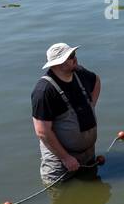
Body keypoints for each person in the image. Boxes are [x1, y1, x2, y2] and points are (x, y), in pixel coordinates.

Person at [31, 42, 101, 185]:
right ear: (57, 64)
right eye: (69, 57)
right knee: (62, 200)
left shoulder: (79, 73)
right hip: (61, 164)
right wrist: (65, 158)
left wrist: (91, 106)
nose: (74, 59)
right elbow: (42, 131)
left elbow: (96, 81)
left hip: (87, 156)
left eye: (73, 55)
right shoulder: (44, 91)